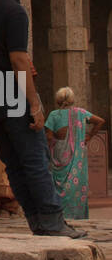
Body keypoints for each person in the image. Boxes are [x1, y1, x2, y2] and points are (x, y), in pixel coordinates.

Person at [0, 0, 85, 238]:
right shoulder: (15, 12)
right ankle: (52, 222)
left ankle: (38, 221)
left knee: (16, 165)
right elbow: (18, 60)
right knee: (35, 160)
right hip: (14, 97)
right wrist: (35, 104)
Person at [44, 86, 103, 221]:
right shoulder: (81, 113)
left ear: (58, 100)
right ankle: (76, 215)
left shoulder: (54, 115)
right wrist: (89, 136)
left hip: (58, 155)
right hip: (77, 158)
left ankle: (60, 216)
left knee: (57, 186)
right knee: (75, 185)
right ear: (72, 100)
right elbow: (100, 121)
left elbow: (48, 137)